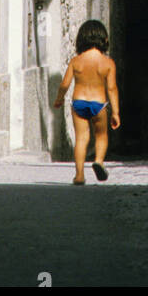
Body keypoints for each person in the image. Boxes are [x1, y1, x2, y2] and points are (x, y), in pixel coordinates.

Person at [53, 19, 120, 184]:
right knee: (101, 135)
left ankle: (79, 175)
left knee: (81, 138)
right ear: (103, 39)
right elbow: (112, 88)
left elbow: (65, 84)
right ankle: (98, 160)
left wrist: (59, 99)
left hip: (79, 103)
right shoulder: (108, 63)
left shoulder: (76, 61)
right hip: (99, 104)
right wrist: (116, 112)